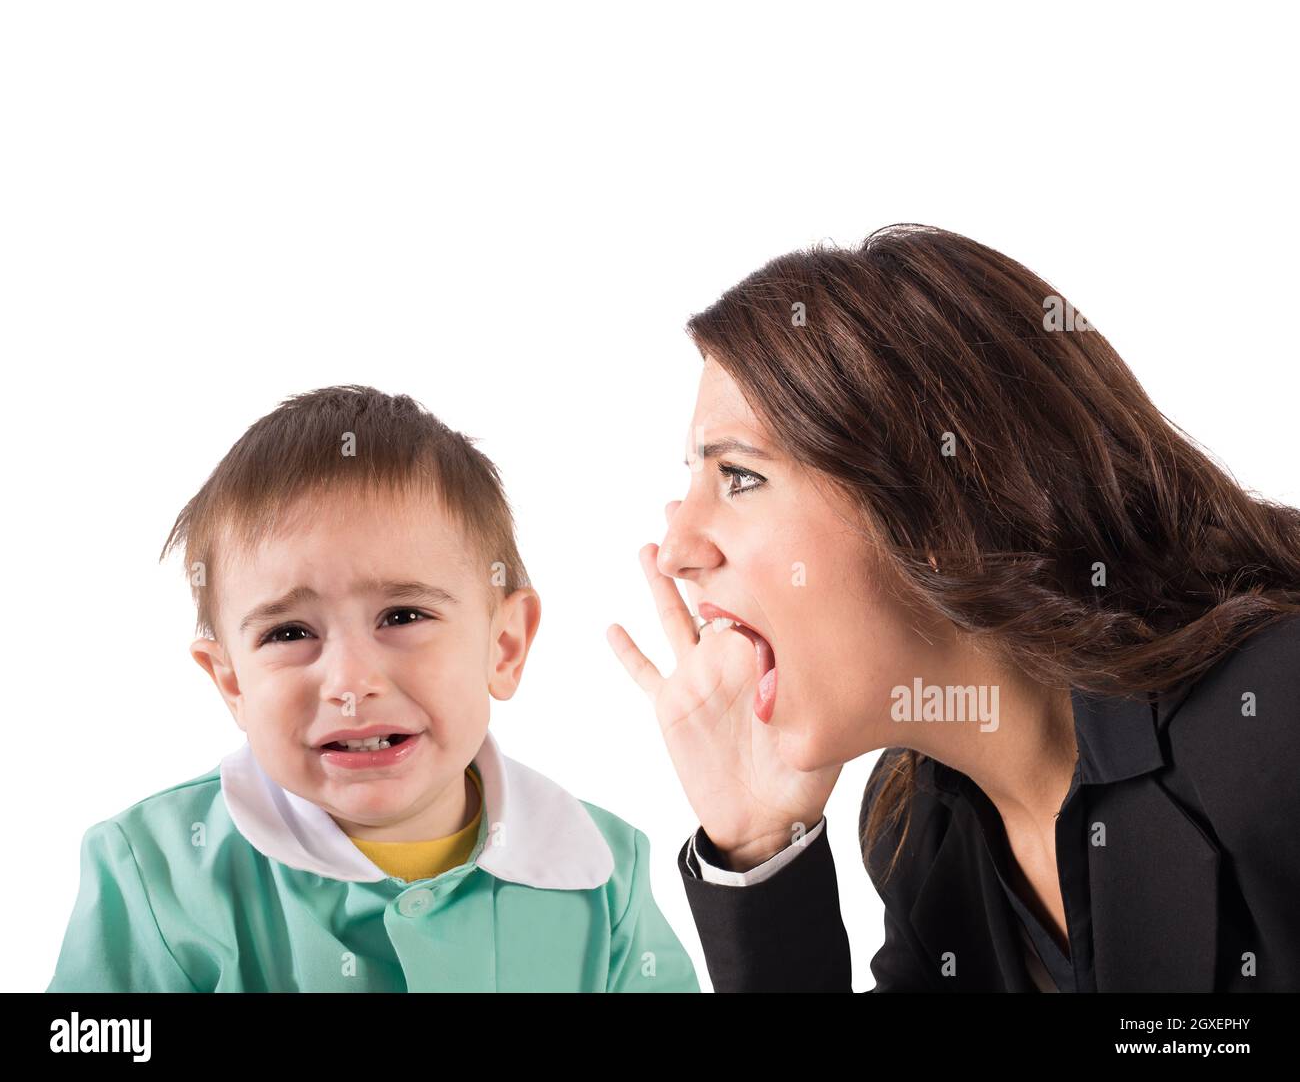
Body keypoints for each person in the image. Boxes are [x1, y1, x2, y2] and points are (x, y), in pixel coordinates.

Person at [607, 224, 1300, 992]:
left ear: (942, 510)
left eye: (737, 475)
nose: (675, 548)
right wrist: (758, 847)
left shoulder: (1271, 718)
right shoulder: (919, 830)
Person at [48, 384, 698, 993]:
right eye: (289, 631)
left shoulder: (603, 874)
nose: (352, 682)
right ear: (231, 681)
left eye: (404, 616)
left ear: (504, 646)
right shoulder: (152, 873)